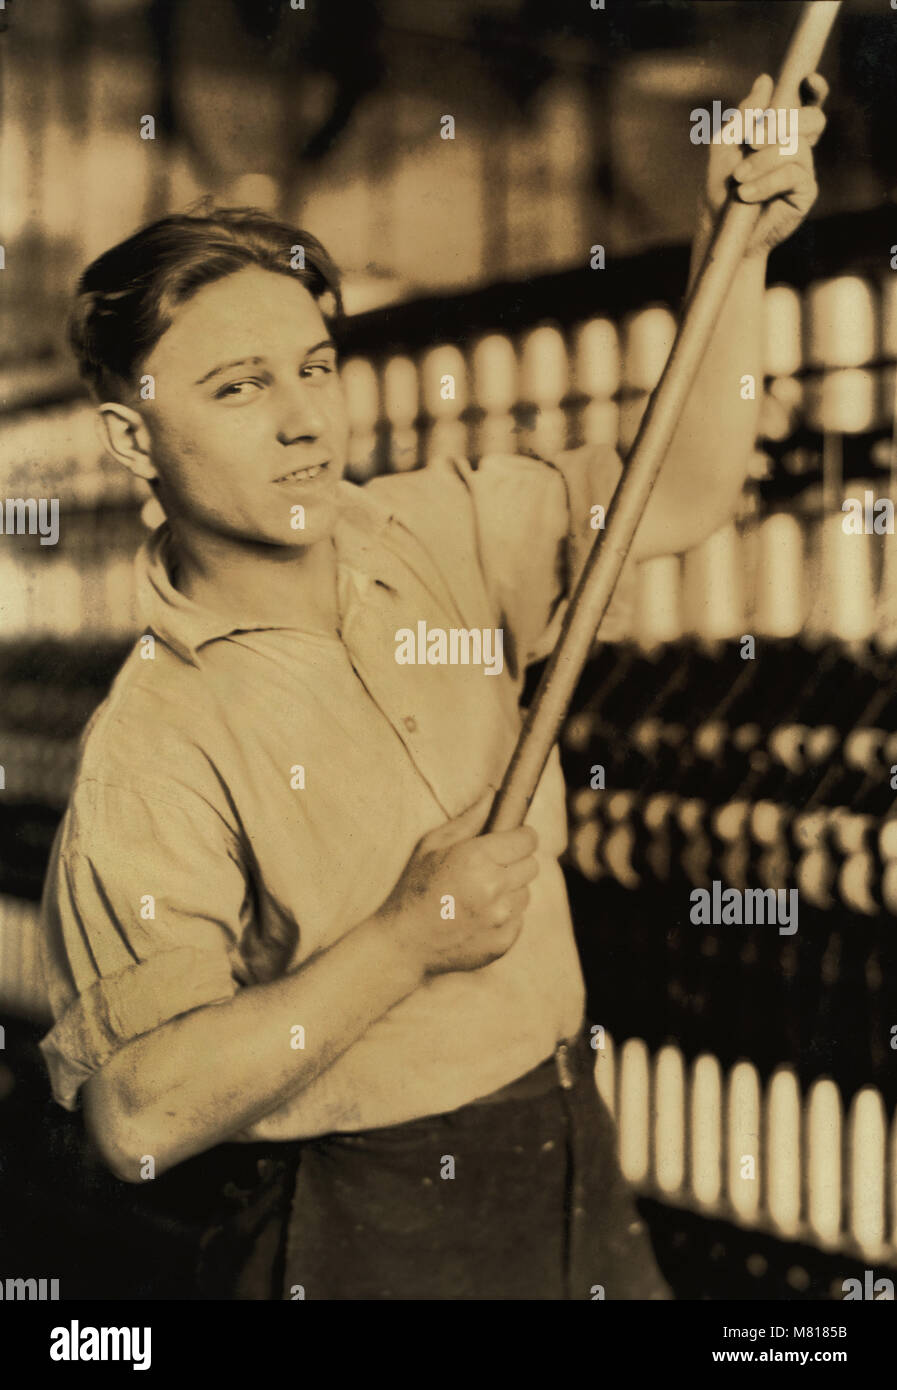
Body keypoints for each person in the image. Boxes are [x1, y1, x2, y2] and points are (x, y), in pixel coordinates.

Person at [37, 73, 827, 1300]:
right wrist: (411, 940)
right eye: (240, 387)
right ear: (133, 438)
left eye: (314, 366)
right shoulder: (156, 741)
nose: (305, 421)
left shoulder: (435, 531)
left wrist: (737, 252)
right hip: (362, 1221)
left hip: (566, 1145)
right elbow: (137, 1116)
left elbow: (678, 492)